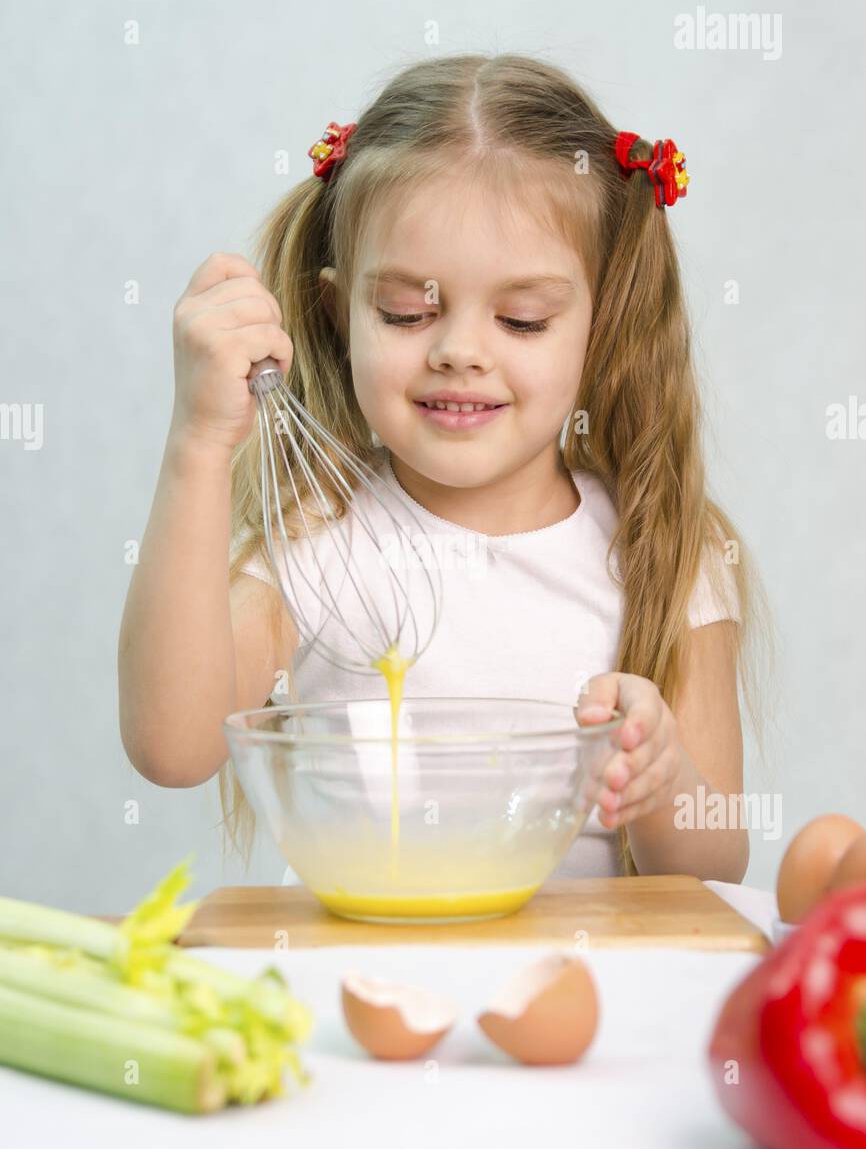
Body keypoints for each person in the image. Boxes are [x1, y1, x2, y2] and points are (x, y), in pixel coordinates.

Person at [118, 53, 775, 883]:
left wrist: (663, 780)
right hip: (358, 989)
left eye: (523, 320)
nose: (460, 351)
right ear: (339, 313)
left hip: (583, 998)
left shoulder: (666, 549)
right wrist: (198, 447)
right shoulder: (317, 543)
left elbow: (718, 870)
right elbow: (171, 749)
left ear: (602, 324)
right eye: (408, 312)